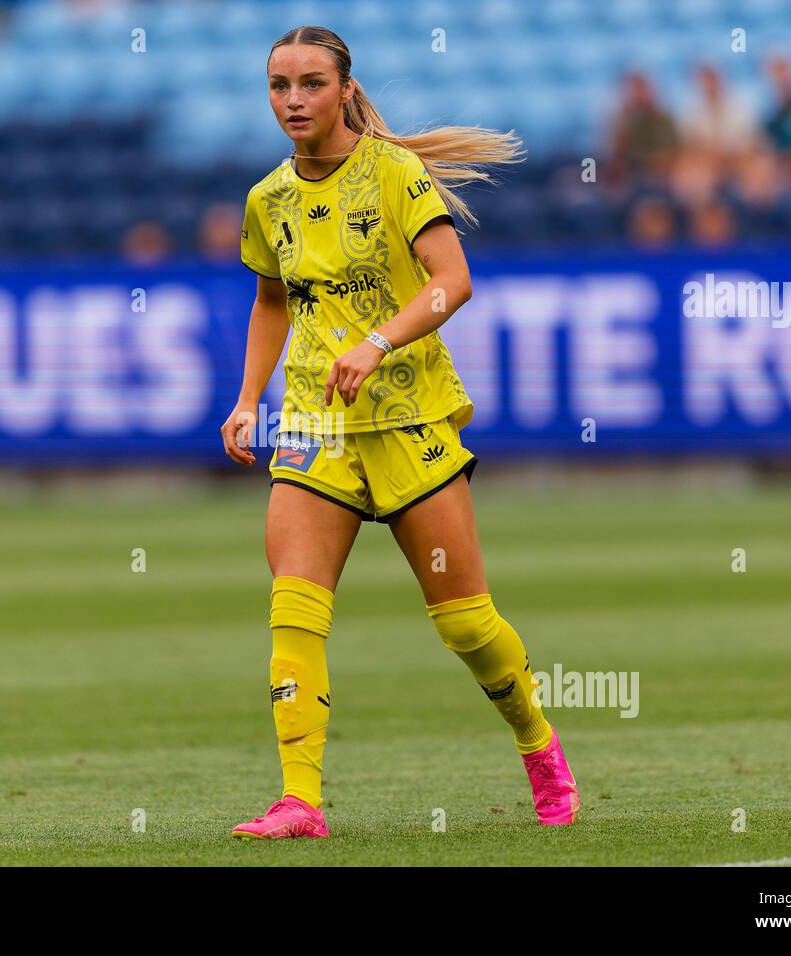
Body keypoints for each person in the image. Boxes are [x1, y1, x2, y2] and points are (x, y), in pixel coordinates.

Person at [219, 25, 579, 840]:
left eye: (311, 84)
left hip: (408, 417)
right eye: (280, 86)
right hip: (314, 421)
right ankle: (299, 800)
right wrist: (249, 399)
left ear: (345, 89)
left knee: (464, 624)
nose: (294, 101)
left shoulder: (395, 174)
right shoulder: (266, 199)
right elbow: (272, 301)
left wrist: (378, 343)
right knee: (294, 609)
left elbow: (454, 282)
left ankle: (537, 742)